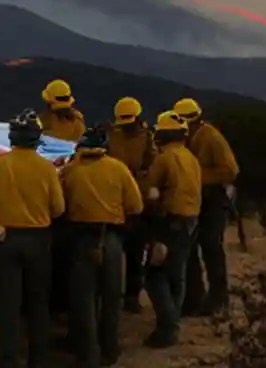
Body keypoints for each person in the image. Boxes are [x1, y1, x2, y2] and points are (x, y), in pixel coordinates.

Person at [0, 109, 66, 368]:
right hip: (38, 242)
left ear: (12, 138)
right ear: (36, 138)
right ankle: (38, 357)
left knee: (9, 303)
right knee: (37, 302)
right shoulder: (47, 170)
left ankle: (9, 358)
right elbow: (58, 209)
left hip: (6, 241)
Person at [60, 126, 144, 367]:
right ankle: (110, 350)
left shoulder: (70, 170)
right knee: (111, 299)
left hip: (82, 239)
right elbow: (136, 206)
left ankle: (87, 354)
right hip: (112, 239)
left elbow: (58, 204)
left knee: (83, 300)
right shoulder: (119, 169)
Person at [175, 97, 240, 317]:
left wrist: (196, 177)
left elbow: (230, 170)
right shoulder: (186, 139)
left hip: (214, 199)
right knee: (190, 249)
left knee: (211, 246)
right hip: (195, 199)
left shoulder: (212, 138)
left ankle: (218, 298)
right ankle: (194, 298)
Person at [143, 110, 202, 348]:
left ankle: (168, 327)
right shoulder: (191, 157)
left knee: (154, 275)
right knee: (177, 274)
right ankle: (172, 324)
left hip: (170, 222)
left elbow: (152, 191)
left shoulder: (164, 159)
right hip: (191, 220)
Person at [105, 97, 157, 313]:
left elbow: (152, 164)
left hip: (133, 200)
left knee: (134, 253)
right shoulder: (111, 135)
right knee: (115, 252)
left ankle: (132, 295)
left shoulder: (147, 138)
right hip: (116, 199)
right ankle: (113, 295)